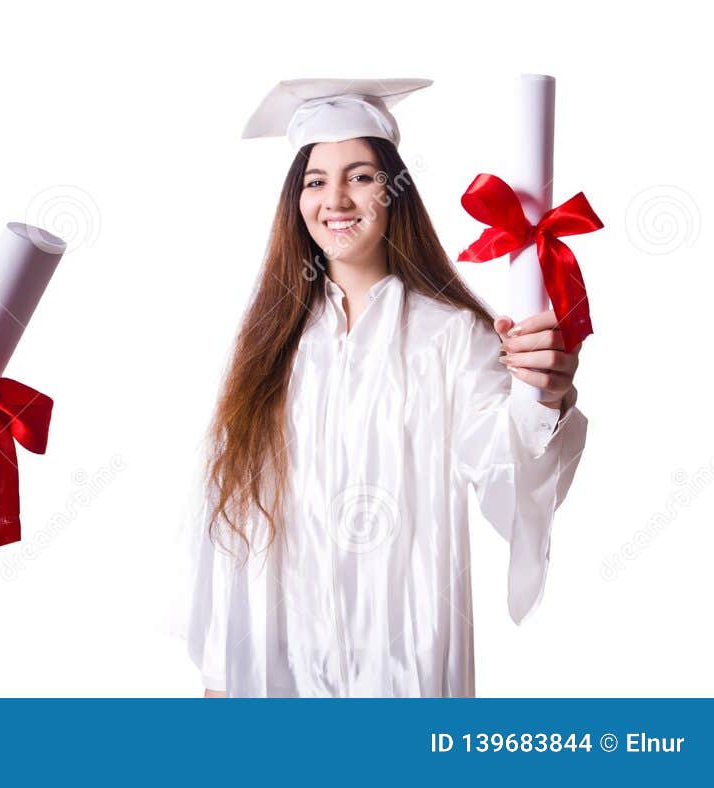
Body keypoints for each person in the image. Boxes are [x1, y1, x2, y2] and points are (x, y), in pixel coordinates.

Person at [186, 78, 588, 697]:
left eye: (362, 176)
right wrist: (218, 679)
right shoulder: (269, 345)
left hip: (402, 667)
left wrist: (544, 396)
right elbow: (232, 514)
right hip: (274, 672)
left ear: (395, 192)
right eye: (315, 180)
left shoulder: (451, 336)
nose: (336, 198)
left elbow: (507, 473)